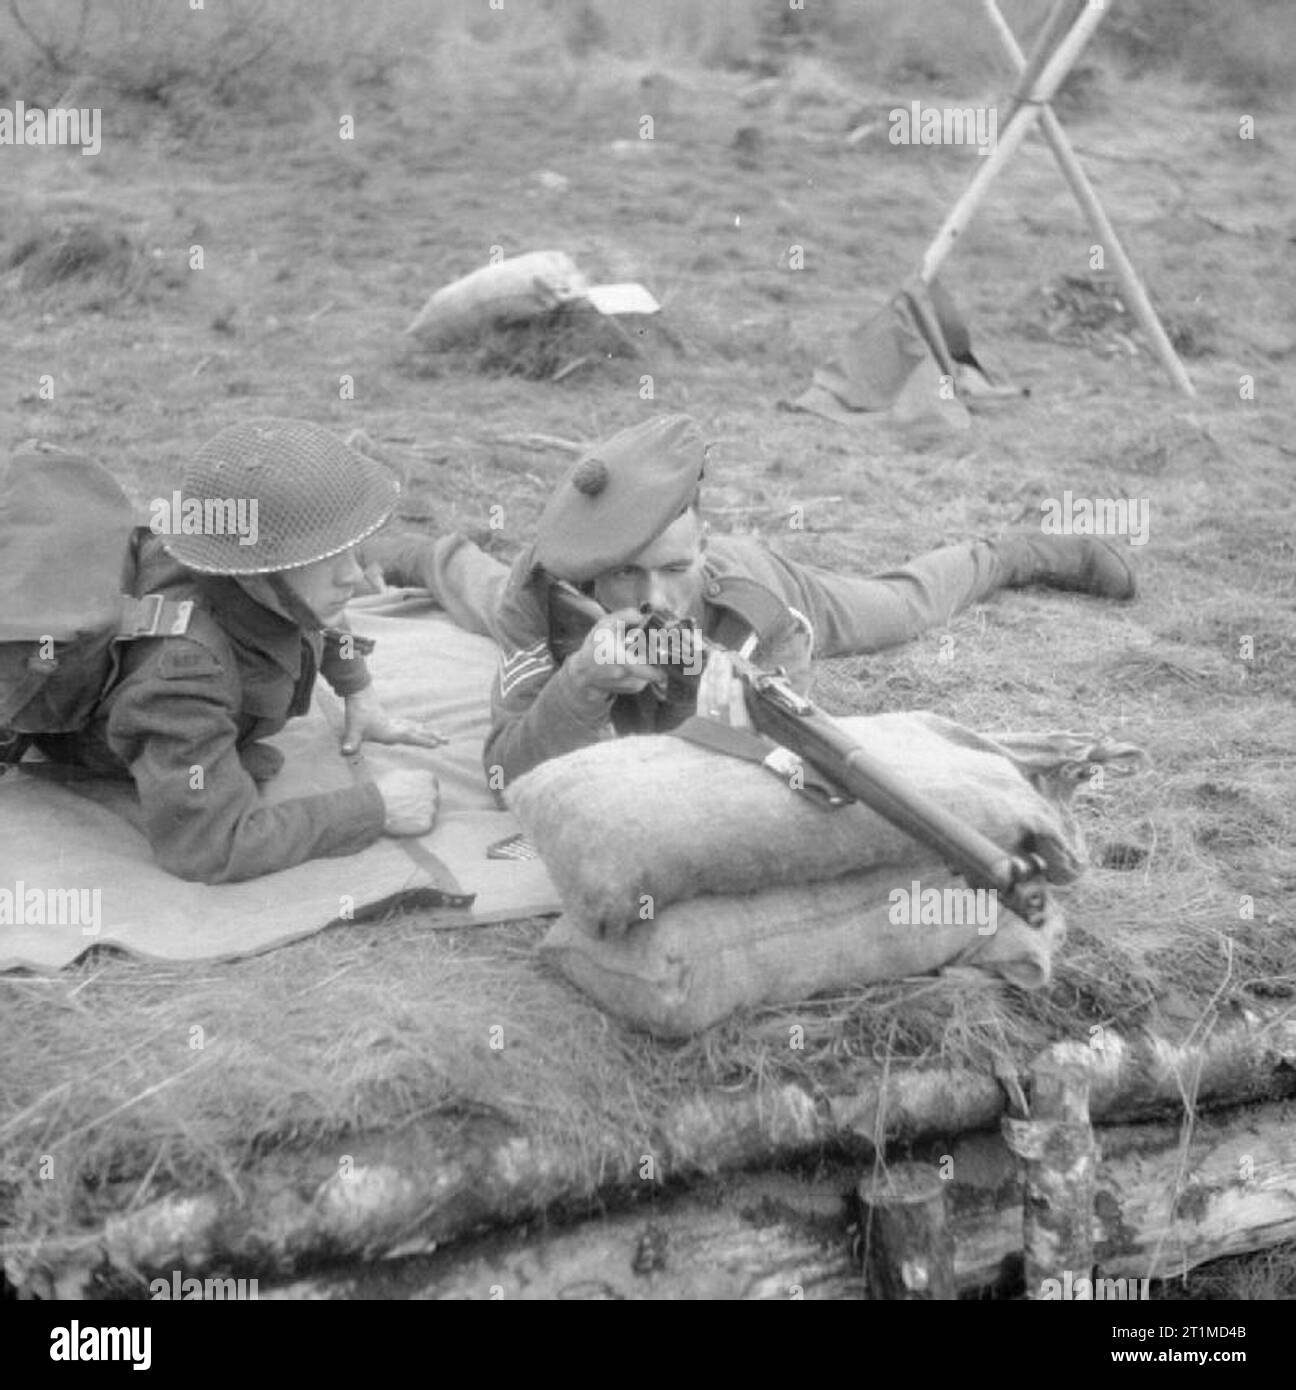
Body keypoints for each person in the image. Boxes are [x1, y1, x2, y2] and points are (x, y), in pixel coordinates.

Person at [361, 413, 1136, 789]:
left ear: (702, 547)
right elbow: (505, 774)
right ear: (586, 578)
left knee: (905, 608)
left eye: (673, 567)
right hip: (551, 615)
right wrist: (579, 684)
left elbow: (764, 760)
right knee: (479, 592)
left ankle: (1015, 551)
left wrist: (701, 684)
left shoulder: (756, 612)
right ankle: (424, 553)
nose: (656, 600)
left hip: (769, 584)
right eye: (625, 577)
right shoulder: (540, 595)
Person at [22, 419, 441, 883]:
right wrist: (377, 807)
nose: (354, 577)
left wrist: (358, 692)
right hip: (104, 729)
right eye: (325, 559)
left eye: (350, 551)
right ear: (251, 572)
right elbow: (209, 847)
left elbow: (314, 615)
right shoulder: (184, 678)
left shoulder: (243, 559)